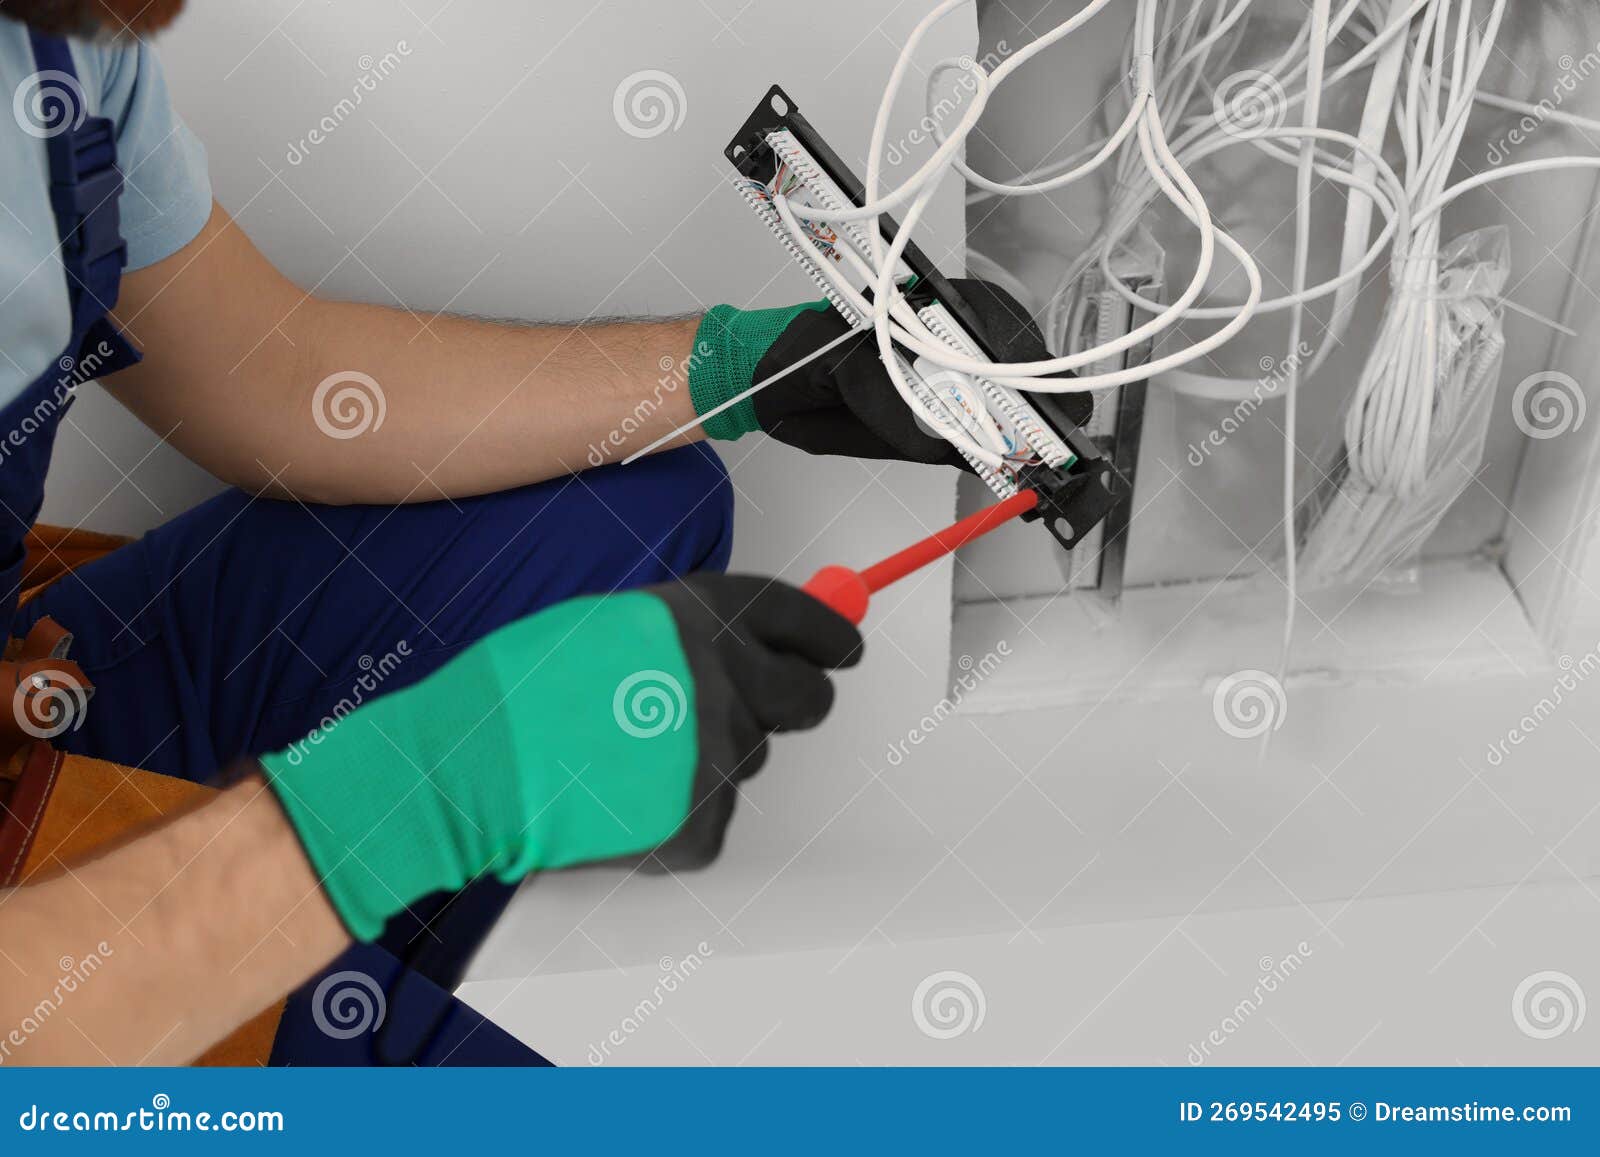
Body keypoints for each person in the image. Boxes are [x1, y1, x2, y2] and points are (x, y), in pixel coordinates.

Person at [0, 0, 1067, 1065]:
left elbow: (267, 377)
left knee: (621, 507)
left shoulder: (63, 44)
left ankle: (327, 1003)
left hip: (30, 706)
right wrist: (421, 791)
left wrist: (742, 369)